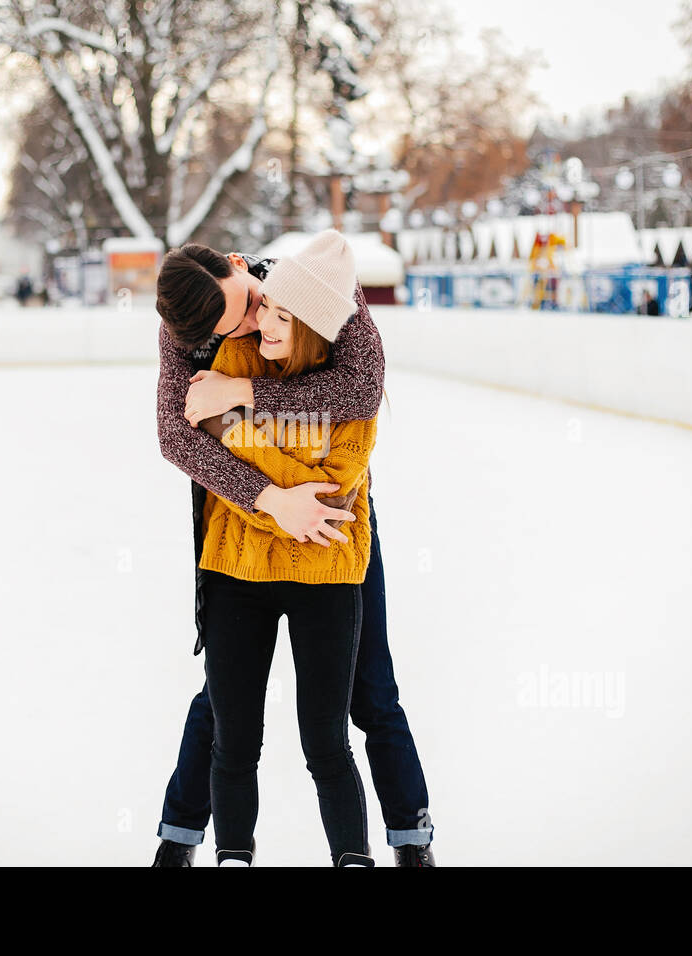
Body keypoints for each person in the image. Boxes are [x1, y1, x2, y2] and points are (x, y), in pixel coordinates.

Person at [153, 241, 436, 867]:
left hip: (328, 514)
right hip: (241, 523)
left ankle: (411, 842)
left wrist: (245, 396)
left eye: (253, 304)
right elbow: (177, 433)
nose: (256, 324)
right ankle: (180, 839)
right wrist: (268, 498)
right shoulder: (188, 323)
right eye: (236, 327)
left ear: (239, 262)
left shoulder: (318, 283)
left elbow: (361, 393)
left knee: (369, 689)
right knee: (225, 701)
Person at [189, 231, 378, 866]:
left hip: (326, 570)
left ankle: (354, 858)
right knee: (235, 740)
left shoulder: (352, 383)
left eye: (281, 315)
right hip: (235, 570)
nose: (262, 319)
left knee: (325, 739)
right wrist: (286, 502)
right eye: (267, 306)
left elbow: (338, 485)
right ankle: (232, 856)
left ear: (316, 330)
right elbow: (205, 435)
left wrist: (267, 487)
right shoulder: (237, 355)